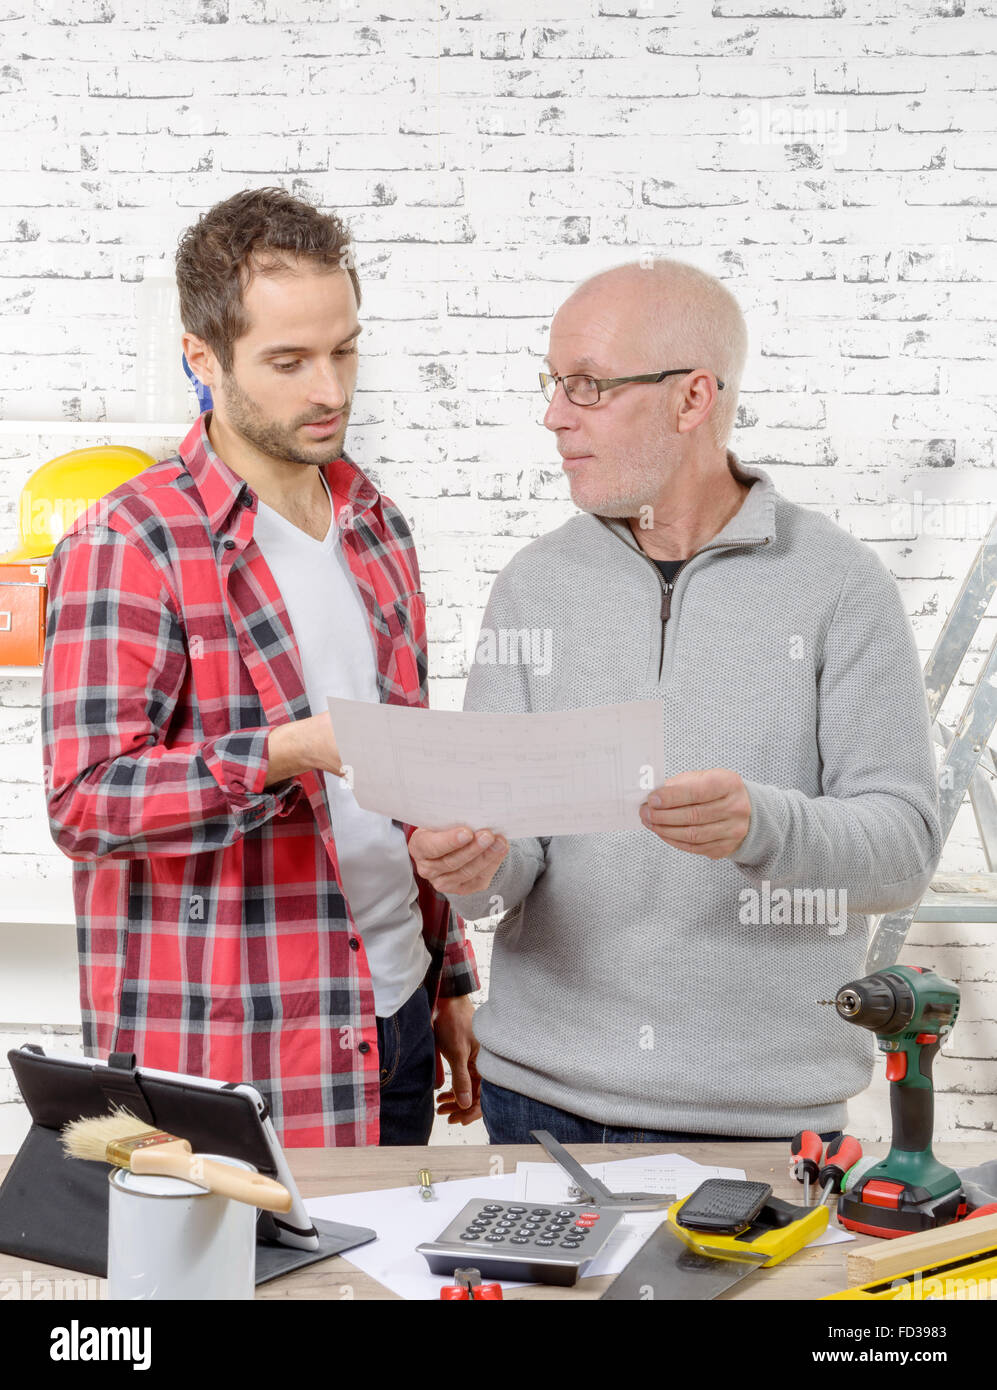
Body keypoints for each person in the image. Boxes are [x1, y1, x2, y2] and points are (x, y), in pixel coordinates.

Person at [409, 258, 942, 1146]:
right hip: (534, 1104)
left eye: (586, 386)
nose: (553, 415)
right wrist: (471, 864)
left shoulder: (840, 587)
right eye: (553, 384)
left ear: (692, 399)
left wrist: (761, 828)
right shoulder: (534, 588)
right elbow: (511, 854)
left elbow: (904, 851)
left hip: (763, 1124)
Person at [41, 187, 479, 1148]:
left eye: (344, 349)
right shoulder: (133, 538)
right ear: (201, 358)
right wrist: (285, 752)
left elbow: (402, 775)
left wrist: (446, 977)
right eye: (288, 362)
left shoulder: (376, 523)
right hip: (233, 1050)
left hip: (392, 1016)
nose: (331, 390)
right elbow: (83, 803)